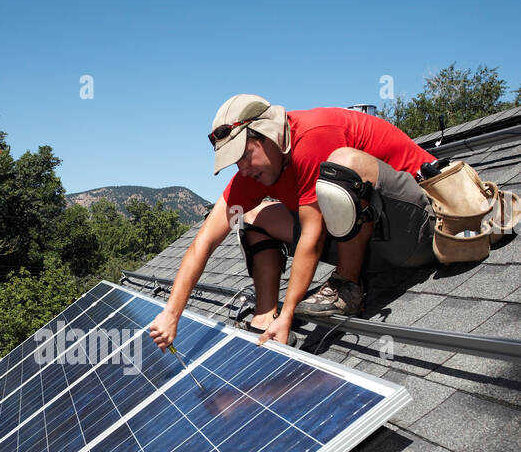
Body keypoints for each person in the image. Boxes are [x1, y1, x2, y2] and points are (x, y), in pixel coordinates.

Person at [148, 93, 438, 351]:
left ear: (268, 135)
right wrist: (172, 313)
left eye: (245, 156)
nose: (243, 169)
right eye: (236, 163)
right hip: (371, 240)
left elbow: (312, 236)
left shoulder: (314, 136)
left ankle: (348, 285)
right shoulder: (256, 172)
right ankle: (265, 318)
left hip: (421, 228)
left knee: (342, 166)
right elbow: (204, 242)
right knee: (253, 217)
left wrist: (290, 315)